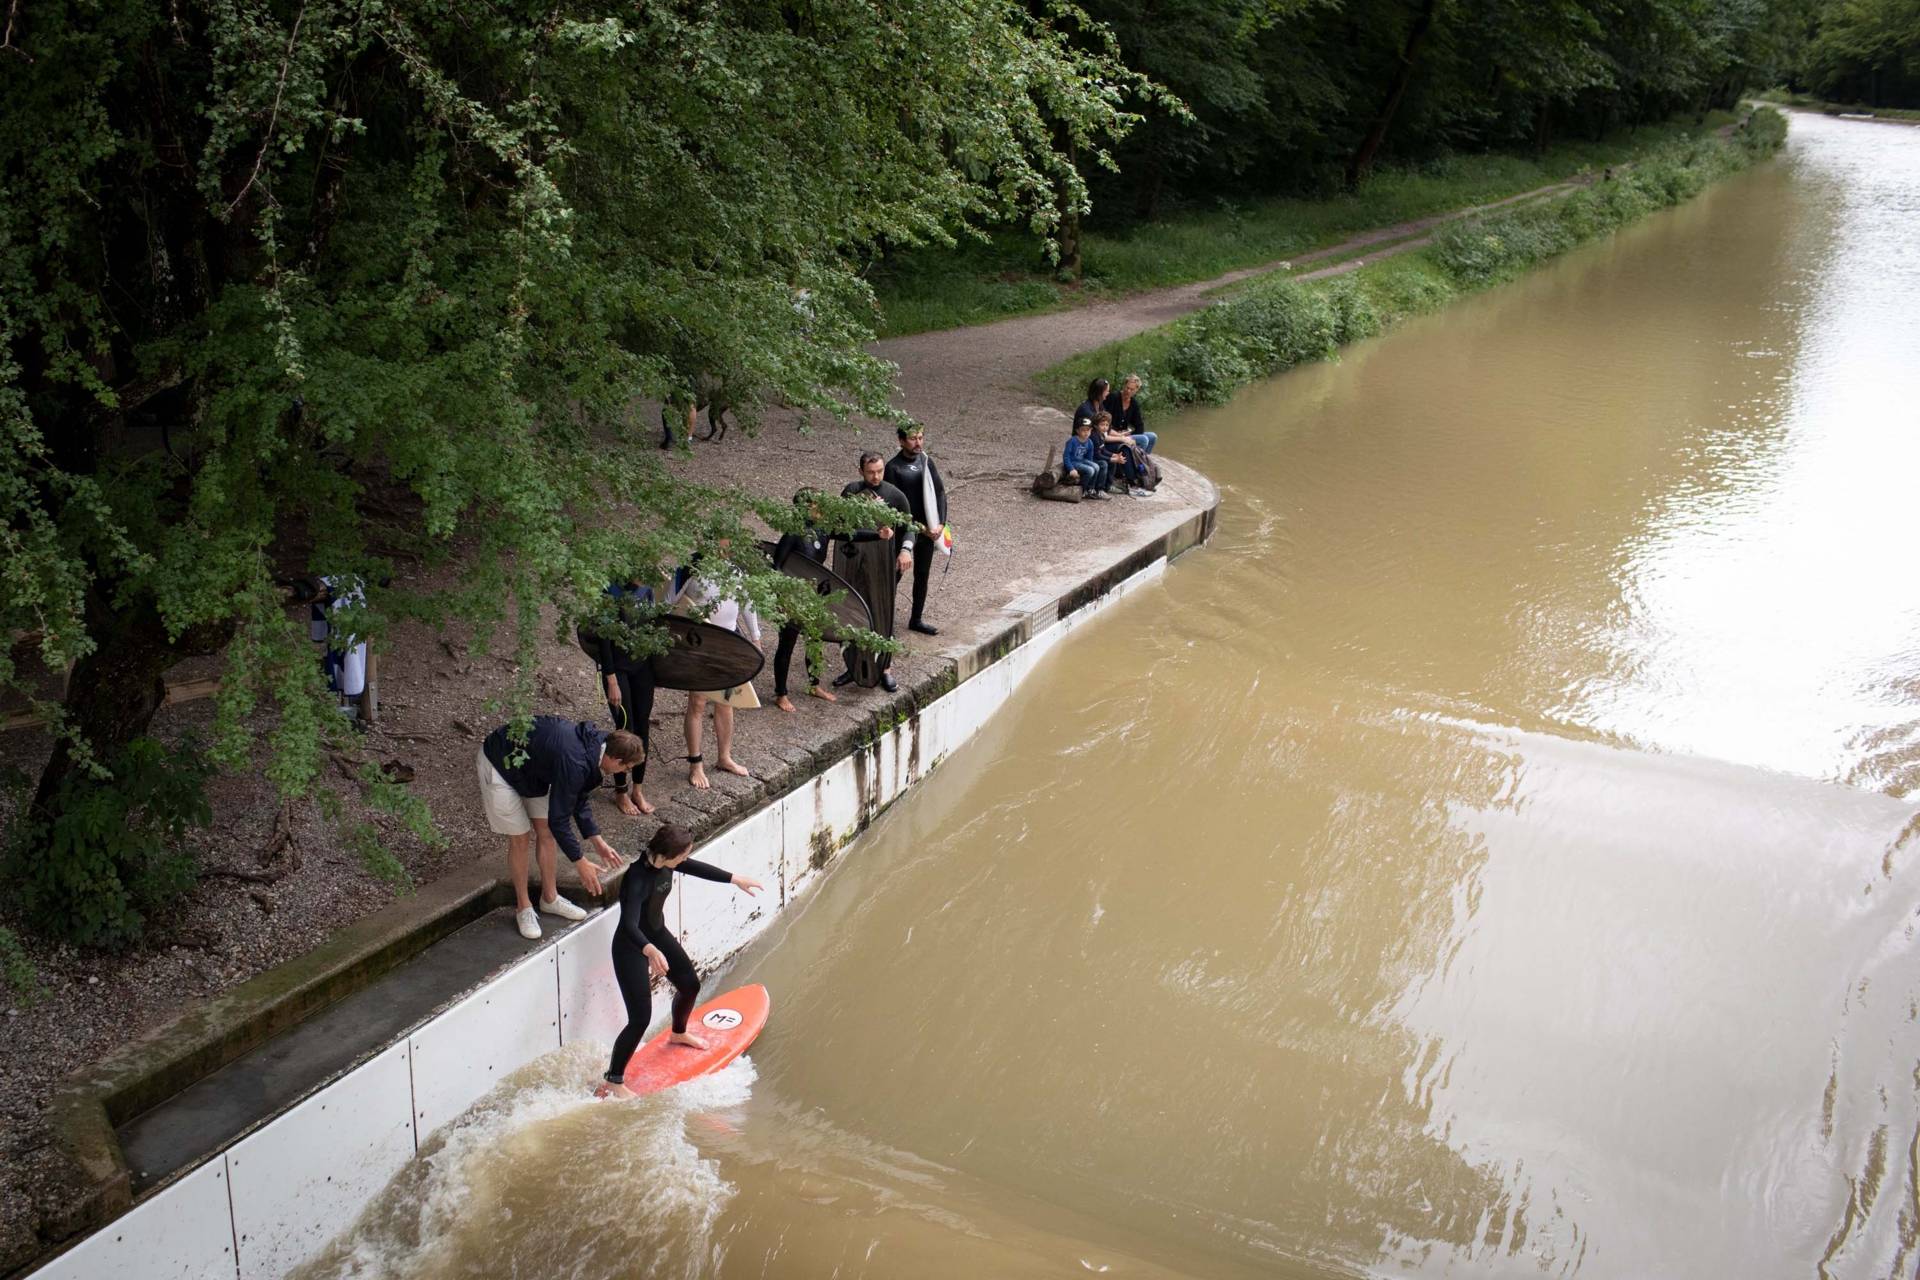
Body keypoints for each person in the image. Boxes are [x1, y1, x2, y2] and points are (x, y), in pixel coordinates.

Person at [596, 824, 764, 1099]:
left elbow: (697, 868)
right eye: (682, 855)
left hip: (656, 936)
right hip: (631, 946)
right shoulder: (636, 878)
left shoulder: (667, 863)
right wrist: (649, 950)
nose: (685, 860)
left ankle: (678, 1033)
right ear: (666, 854)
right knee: (640, 1018)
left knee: (689, 985)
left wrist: (735, 878)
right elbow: (628, 924)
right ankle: (614, 1080)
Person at [477, 717, 641, 939]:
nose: (625, 772)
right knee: (521, 837)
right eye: (627, 767)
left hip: (533, 768)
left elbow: (578, 796)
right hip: (501, 763)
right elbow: (560, 818)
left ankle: (550, 898)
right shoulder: (575, 761)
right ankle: (523, 907)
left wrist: (597, 840)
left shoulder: (597, 748)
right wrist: (579, 861)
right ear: (615, 759)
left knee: (545, 832)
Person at [670, 565, 761, 789]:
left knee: (726, 701)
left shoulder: (737, 569)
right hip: (699, 644)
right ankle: (696, 763)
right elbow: (669, 601)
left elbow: (747, 602)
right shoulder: (690, 566)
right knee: (698, 703)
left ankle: (724, 757)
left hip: (728, 640)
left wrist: (755, 637)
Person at [832, 453, 914, 693]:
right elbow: (839, 525)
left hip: (882, 564)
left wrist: (905, 550)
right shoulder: (851, 491)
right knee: (853, 611)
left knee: (881, 612)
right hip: (854, 561)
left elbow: (909, 527)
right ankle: (854, 665)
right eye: (871, 472)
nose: (876, 476)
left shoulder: (894, 495)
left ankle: (885, 668)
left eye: (879, 471)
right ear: (861, 471)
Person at [769, 489, 850, 713]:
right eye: (817, 504)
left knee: (815, 641)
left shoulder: (823, 530)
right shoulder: (793, 534)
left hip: (815, 595)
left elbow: (851, 533)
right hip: (793, 596)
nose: (821, 507)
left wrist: (878, 534)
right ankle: (781, 693)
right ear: (805, 508)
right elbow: (776, 567)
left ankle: (814, 685)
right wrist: (781, 599)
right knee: (787, 643)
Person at [591, 576, 658, 816]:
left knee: (643, 727)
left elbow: (651, 625)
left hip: (642, 665)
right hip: (618, 668)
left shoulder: (647, 588)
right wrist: (611, 680)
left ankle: (637, 789)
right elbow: (604, 640)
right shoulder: (611, 590)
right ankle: (620, 791)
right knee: (625, 728)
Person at [882, 425, 948, 636]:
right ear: (901, 441)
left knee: (922, 575)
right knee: (895, 576)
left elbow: (940, 493)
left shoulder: (926, 461)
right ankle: (884, 621)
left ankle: (916, 619)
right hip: (905, 530)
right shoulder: (893, 468)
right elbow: (894, 507)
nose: (918, 442)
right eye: (912, 439)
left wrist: (940, 524)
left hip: (929, 529)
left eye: (920, 437)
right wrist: (920, 528)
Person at [1103, 374, 1158, 456]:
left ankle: (1144, 461)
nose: (1128, 391)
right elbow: (1104, 420)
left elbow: (1140, 426)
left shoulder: (1134, 404)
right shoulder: (1113, 398)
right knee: (1143, 439)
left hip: (1123, 434)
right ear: (1124, 386)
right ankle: (1137, 465)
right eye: (1127, 388)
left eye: (1132, 389)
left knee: (1153, 436)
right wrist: (1119, 434)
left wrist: (1128, 434)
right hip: (1112, 435)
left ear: (1136, 390)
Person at [1062, 418, 1110, 499]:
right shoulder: (1072, 441)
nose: (1086, 432)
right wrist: (1071, 469)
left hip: (1082, 461)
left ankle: (1091, 489)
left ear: (1091, 430)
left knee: (1096, 466)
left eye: (1088, 430)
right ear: (1077, 431)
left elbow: (1089, 459)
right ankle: (1083, 490)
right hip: (1073, 462)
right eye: (1083, 430)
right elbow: (1066, 457)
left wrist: (1090, 465)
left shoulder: (1089, 442)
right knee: (1090, 470)